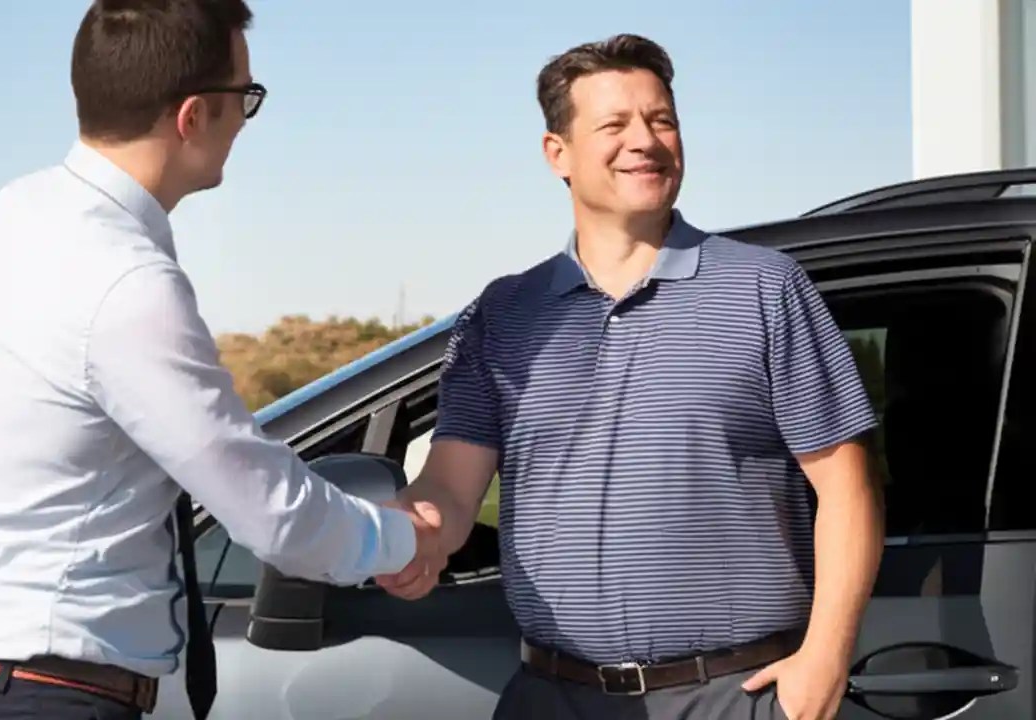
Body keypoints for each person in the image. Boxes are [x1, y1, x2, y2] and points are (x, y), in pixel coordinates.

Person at [0, 2, 440, 719]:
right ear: (194, 116)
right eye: (245, 98)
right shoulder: (125, 281)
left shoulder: (17, 213)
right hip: (53, 698)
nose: (246, 121)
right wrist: (407, 539)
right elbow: (270, 514)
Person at [376, 34, 884, 720]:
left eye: (662, 120)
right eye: (614, 125)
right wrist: (419, 533)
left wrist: (826, 655)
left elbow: (848, 488)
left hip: (734, 696)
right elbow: (450, 486)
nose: (644, 140)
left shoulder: (764, 288)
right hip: (549, 698)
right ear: (557, 153)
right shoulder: (502, 314)